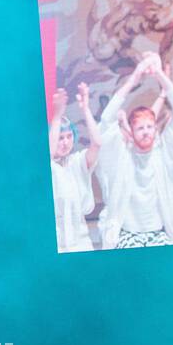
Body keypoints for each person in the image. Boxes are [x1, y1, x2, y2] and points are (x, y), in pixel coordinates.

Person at [96, 52, 173, 247]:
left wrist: (158, 74)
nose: (146, 132)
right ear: (131, 130)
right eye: (140, 128)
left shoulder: (166, 153)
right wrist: (135, 77)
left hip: (161, 234)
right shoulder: (121, 155)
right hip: (127, 235)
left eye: (149, 127)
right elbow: (107, 119)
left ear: (156, 129)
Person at [49, 84, 101, 252]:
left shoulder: (76, 162)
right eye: (60, 137)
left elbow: (97, 144)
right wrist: (56, 117)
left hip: (81, 238)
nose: (65, 142)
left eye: (69, 136)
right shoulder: (49, 166)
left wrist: (85, 108)